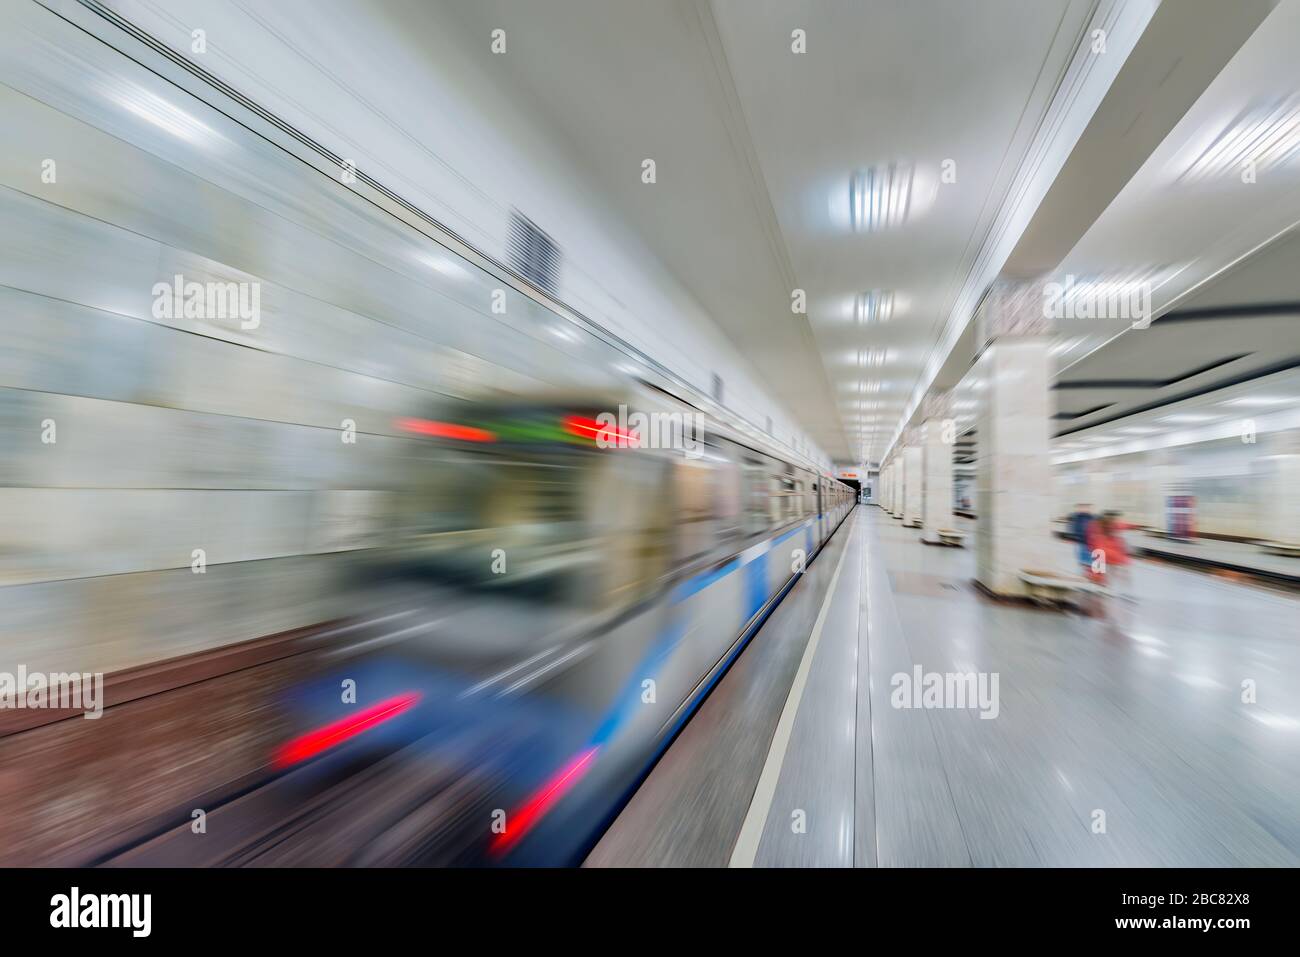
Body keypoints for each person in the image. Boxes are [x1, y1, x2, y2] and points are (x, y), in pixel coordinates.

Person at [1086, 511, 1134, 600]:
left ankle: (1102, 588)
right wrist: (1136, 526)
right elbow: (1124, 526)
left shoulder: (1095, 526)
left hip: (1101, 553)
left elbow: (1091, 539)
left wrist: (1091, 548)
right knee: (1114, 573)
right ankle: (1122, 592)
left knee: (1101, 573)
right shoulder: (1113, 526)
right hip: (1112, 555)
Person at [1068, 502, 1094, 573]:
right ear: (1079, 508)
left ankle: (1088, 570)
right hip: (1079, 539)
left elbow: (1095, 528)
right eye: (1082, 507)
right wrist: (1072, 537)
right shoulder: (1075, 517)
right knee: (1080, 556)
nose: (1084, 509)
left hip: (1089, 540)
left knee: (1089, 556)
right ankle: (1082, 570)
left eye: (1086, 507)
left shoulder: (1092, 517)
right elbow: (1071, 527)